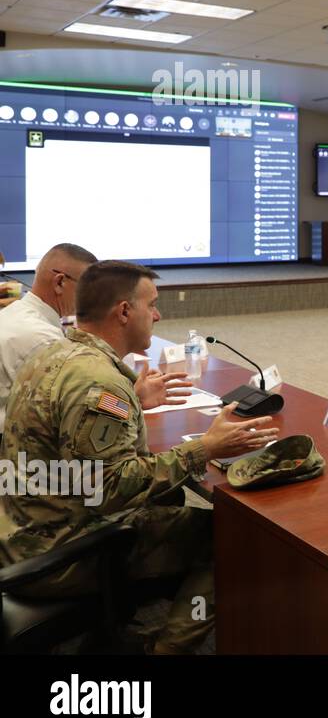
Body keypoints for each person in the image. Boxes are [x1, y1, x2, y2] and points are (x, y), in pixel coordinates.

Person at [0, 261, 279, 653]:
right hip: (58, 553)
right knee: (231, 537)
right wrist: (206, 448)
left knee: (172, 498)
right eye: (152, 304)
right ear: (124, 311)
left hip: (21, 524)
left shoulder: (55, 353)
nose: (158, 314)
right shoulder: (99, 383)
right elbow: (113, 487)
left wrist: (133, 397)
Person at [0, 243, 189, 431]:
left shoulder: (18, 314)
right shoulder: (42, 338)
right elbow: (82, 410)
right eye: (86, 286)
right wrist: (134, 398)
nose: (93, 295)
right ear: (59, 282)